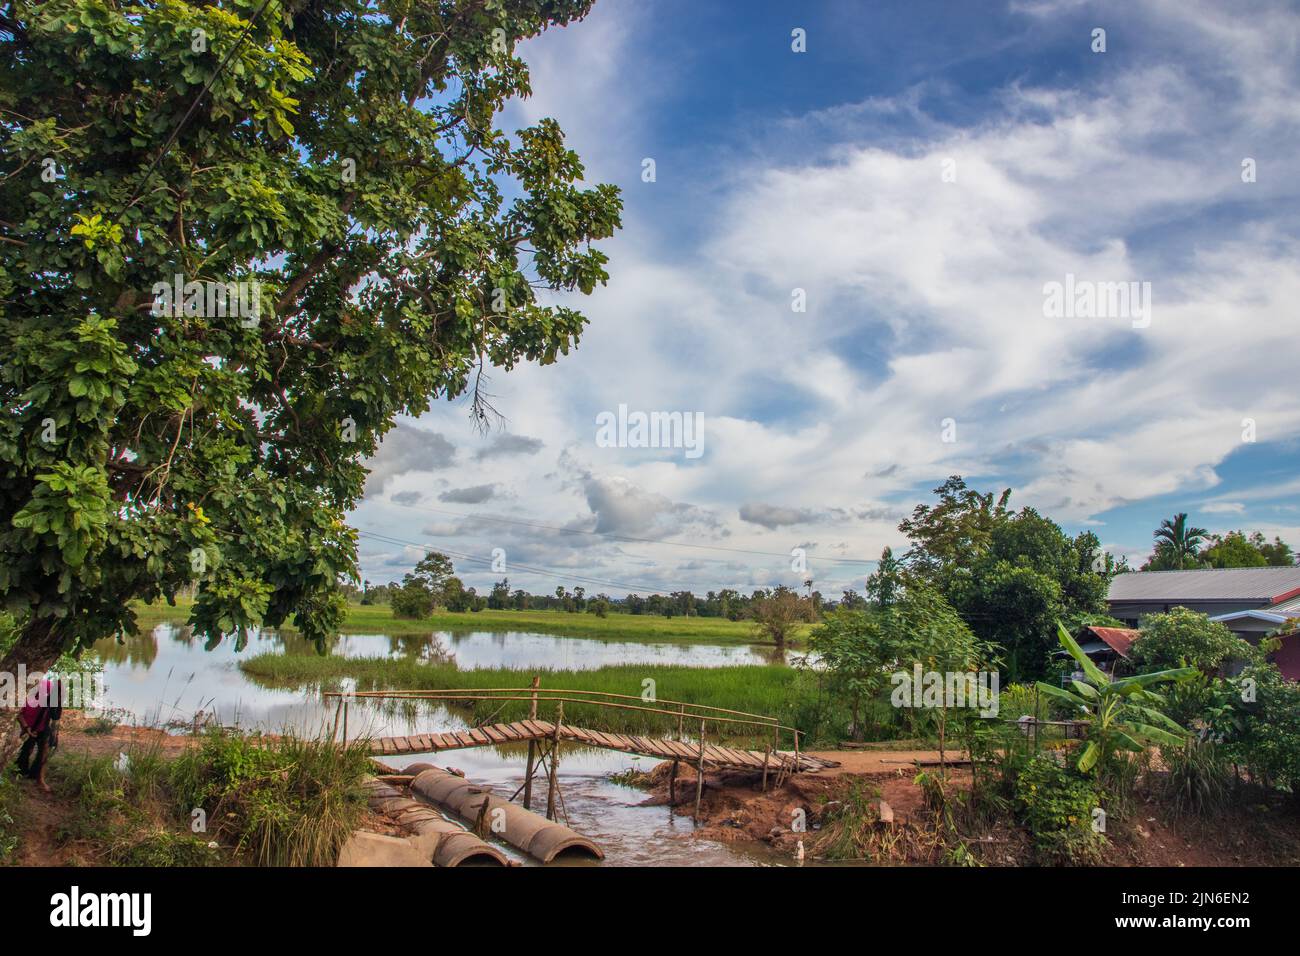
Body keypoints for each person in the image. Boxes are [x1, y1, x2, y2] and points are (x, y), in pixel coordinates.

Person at [15, 677, 62, 792]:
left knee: (44, 750)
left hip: (43, 725)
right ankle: (21, 770)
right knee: (27, 749)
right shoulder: (23, 697)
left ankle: (40, 779)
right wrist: (26, 728)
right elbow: (18, 714)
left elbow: (55, 715)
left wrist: (55, 733)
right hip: (28, 726)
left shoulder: (49, 689)